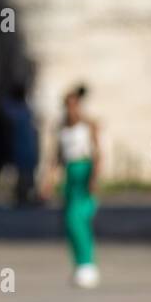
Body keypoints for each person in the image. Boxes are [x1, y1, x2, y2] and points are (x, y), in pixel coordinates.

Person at [39, 85, 101, 288]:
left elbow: (97, 154)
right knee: (69, 222)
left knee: (79, 219)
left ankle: (87, 263)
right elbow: (56, 156)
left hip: (84, 171)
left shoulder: (89, 125)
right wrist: (48, 180)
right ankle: (79, 264)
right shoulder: (61, 127)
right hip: (70, 174)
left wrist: (93, 178)